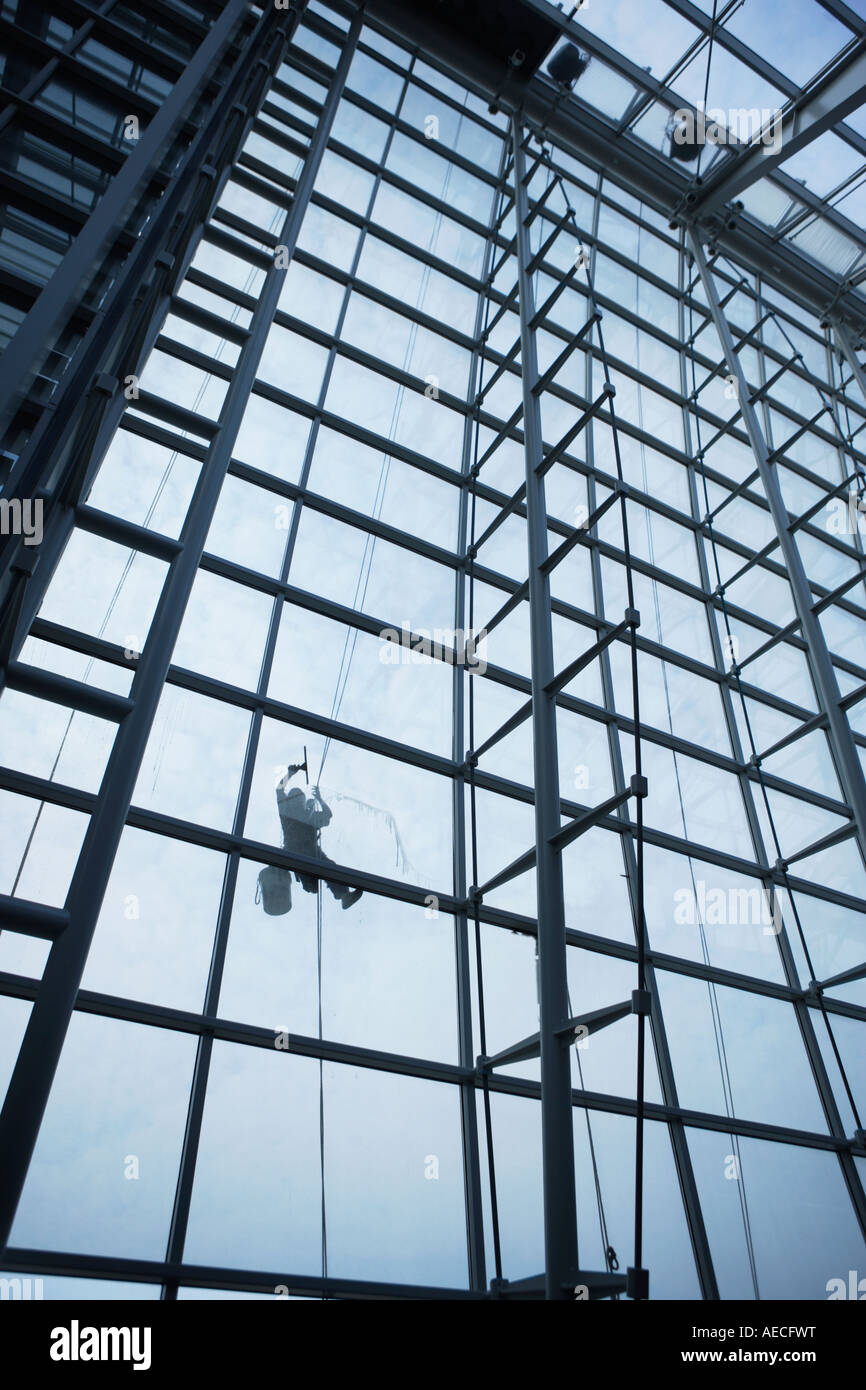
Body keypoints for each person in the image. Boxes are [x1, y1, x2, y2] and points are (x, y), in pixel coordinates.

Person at [257, 769, 363, 914]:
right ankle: (342, 895)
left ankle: (343, 895)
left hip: (303, 852)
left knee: (328, 867)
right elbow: (279, 790)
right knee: (327, 868)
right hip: (301, 852)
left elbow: (327, 816)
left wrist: (318, 798)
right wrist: (290, 774)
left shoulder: (299, 815)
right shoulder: (294, 815)